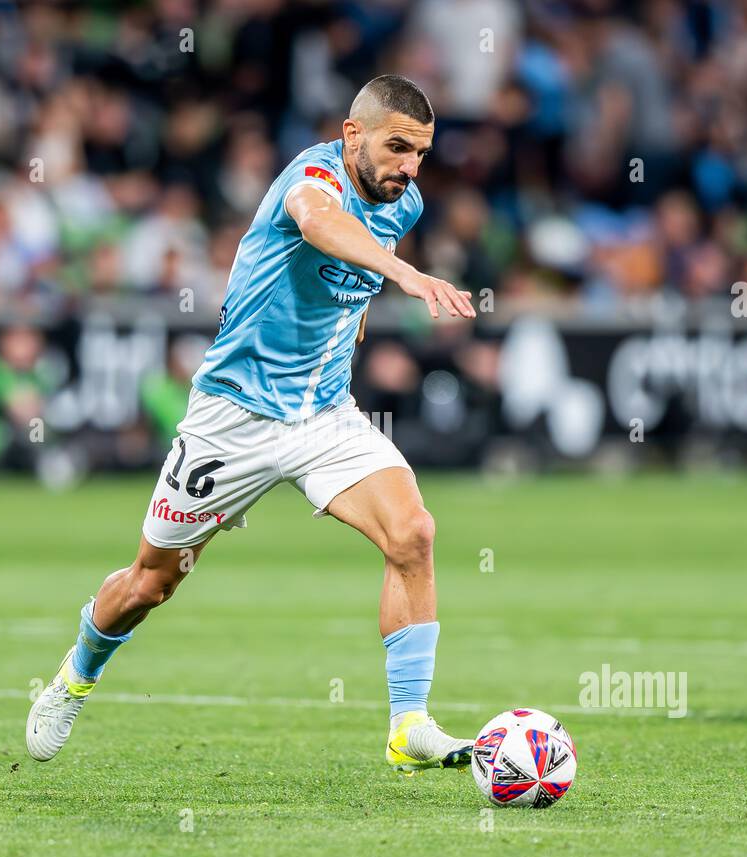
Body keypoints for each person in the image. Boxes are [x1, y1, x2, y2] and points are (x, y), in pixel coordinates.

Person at [27, 75, 480, 768]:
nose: (410, 167)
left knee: (413, 533)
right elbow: (319, 225)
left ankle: (409, 725)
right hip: (231, 416)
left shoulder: (404, 201)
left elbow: (339, 276)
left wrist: (354, 317)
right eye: (397, 148)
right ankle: (73, 677)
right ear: (353, 135)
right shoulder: (311, 176)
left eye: (420, 152)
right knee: (152, 582)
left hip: (323, 416)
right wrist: (405, 275)